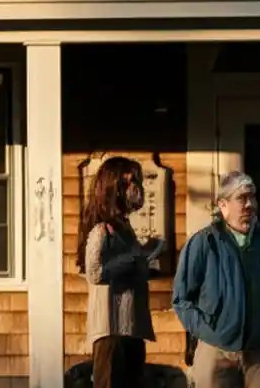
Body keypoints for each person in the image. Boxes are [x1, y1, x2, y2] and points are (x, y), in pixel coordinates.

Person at [173, 171, 260, 388]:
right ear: (223, 205)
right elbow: (181, 299)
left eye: (252, 197)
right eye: (241, 198)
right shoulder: (204, 243)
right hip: (216, 351)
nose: (249, 205)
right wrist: (207, 331)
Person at [78, 156, 164, 388]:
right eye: (129, 182)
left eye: (138, 181)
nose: (136, 188)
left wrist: (147, 256)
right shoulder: (101, 231)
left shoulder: (126, 230)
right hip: (111, 331)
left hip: (132, 329)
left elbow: (131, 268)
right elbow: (94, 273)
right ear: (113, 187)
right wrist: (134, 258)